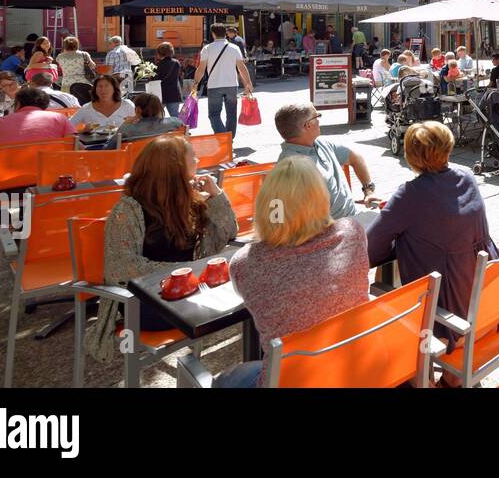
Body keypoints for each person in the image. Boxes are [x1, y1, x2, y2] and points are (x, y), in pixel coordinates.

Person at [218, 155, 372, 388]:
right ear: (321, 198)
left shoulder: (244, 262)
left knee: (225, 378)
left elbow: (250, 297)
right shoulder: (352, 232)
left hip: (291, 379)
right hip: (351, 369)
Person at [86, 136, 237, 362]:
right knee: (239, 302)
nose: (197, 160)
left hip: (187, 294)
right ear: (175, 166)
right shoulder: (128, 209)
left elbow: (228, 232)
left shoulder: (189, 200)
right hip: (147, 304)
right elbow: (121, 268)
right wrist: (186, 272)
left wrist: (217, 195)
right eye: (192, 156)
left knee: (244, 296)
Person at [366, 121, 499, 365]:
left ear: (410, 156)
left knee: (383, 290)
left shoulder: (409, 194)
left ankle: (421, 372)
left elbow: (369, 250)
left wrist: (399, 233)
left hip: (448, 313)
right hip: (484, 298)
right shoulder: (467, 177)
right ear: (449, 147)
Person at [275, 103, 381, 220]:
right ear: (308, 125)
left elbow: (356, 158)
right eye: (317, 117)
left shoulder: (321, 144)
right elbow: (277, 216)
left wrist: (368, 190)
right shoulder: (289, 167)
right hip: (328, 231)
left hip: (353, 219)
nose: (319, 121)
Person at [193, 23, 254, 137]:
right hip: (231, 85)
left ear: (213, 34)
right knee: (231, 114)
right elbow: (242, 68)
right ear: (225, 33)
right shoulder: (234, 48)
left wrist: (195, 83)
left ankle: (223, 138)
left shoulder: (207, 48)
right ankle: (229, 138)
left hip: (214, 85)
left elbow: (201, 69)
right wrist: (248, 82)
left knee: (214, 114)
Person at [71, 74, 137, 129]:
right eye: (100, 86)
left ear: (114, 89)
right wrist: (83, 131)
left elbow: (138, 127)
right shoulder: (86, 109)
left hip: (123, 143)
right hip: (94, 144)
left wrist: (132, 124)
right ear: (95, 90)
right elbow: (67, 127)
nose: (103, 90)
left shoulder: (127, 105)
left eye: (107, 86)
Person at [119, 93, 186, 142]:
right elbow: (186, 140)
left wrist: (125, 123)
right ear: (159, 108)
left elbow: (110, 147)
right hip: (169, 159)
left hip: (137, 160)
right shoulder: (175, 122)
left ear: (138, 109)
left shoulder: (127, 129)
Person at [56, 36, 98, 105]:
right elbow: (93, 66)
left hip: (67, 83)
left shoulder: (60, 56)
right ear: (77, 44)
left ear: (65, 45)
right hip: (83, 82)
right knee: (85, 103)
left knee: (69, 104)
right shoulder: (84, 54)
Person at [153, 42, 185, 118]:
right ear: (171, 51)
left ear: (159, 53)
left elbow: (155, 79)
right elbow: (179, 77)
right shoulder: (176, 63)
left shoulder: (158, 65)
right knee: (175, 117)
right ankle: (179, 130)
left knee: (157, 118)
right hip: (174, 93)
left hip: (160, 94)